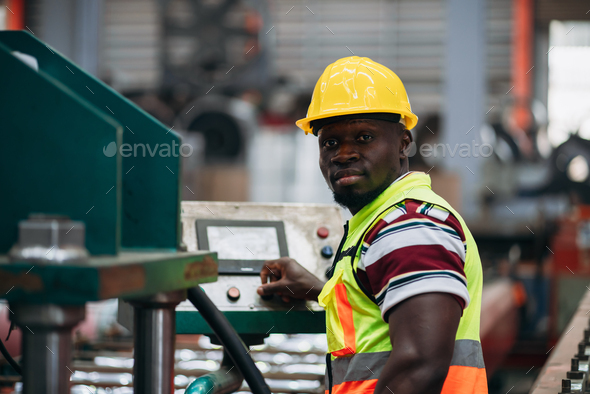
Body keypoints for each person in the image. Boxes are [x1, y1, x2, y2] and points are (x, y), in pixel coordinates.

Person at [257, 56, 487, 394]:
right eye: (330, 142)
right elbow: (377, 321)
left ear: (403, 143)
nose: (343, 154)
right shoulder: (383, 221)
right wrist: (323, 291)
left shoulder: (409, 225)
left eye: (364, 137)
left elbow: (420, 364)